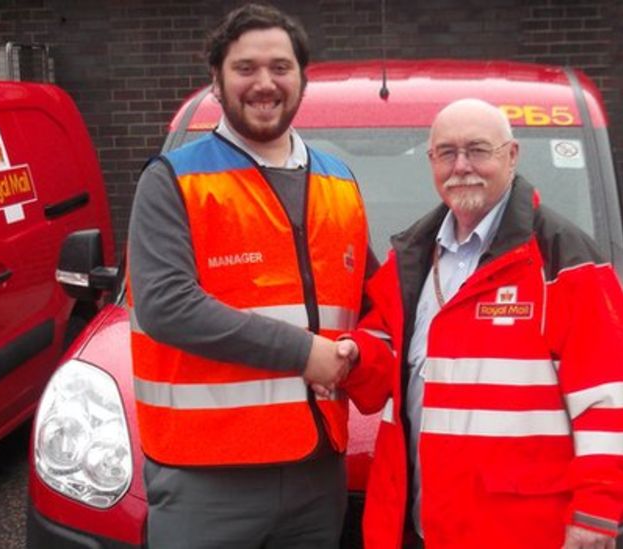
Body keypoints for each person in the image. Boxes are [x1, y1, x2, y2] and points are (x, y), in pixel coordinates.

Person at [339, 99, 623, 549]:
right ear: (431, 161)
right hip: (418, 526)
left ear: (511, 156)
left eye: (478, 150)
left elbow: (616, 401)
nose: (462, 166)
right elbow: (385, 348)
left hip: (521, 532)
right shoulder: (410, 257)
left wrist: (595, 514)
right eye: (447, 152)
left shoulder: (563, 258)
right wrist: (352, 355)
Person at [126, 3, 374, 548]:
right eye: (246, 68)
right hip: (208, 478)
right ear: (216, 81)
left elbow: (373, 298)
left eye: (281, 67)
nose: (265, 83)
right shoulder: (173, 180)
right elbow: (167, 305)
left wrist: (364, 350)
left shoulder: (340, 182)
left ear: (302, 79)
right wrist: (304, 352)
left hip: (316, 470)